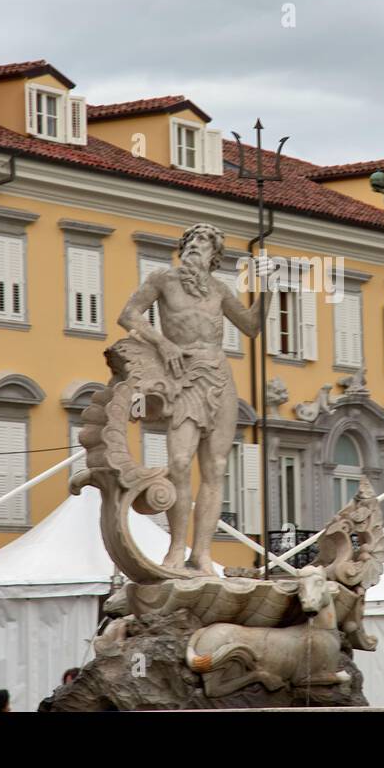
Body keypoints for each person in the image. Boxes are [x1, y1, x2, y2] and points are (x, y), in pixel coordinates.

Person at [118, 223, 264, 574]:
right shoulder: (163, 280)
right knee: (180, 462)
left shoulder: (219, 291)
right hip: (183, 376)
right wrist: (161, 341)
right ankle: (175, 548)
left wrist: (269, 288)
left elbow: (251, 326)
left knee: (215, 469)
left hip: (219, 376)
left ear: (214, 256)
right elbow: (128, 315)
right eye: (192, 240)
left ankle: (201, 554)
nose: (195, 246)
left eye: (204, 242)